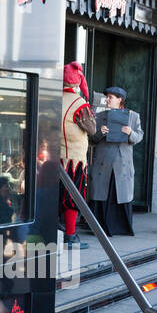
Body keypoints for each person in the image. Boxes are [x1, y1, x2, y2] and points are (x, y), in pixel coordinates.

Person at [90, 86, 142, 236]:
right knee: (102, 193)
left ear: (120, 100)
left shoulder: (133, 116)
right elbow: (91, 140)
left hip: (122, 162)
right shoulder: (99, 117)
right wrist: (100, 133)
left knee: (121, 193)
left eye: (110, 97)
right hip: (103, 162)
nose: (107, 99)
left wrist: (130, 132)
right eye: (107, 97)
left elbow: (139, 136)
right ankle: (100, 228)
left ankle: (122, 227)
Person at [60, 61, 97, 249]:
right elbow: (91, 129)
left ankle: (58, 232)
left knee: (58, 196)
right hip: (73, 159)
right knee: (73, 198)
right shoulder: (78, 102)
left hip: (56, 156)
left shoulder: (54, 98)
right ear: (76, 83)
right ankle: (70, 235)